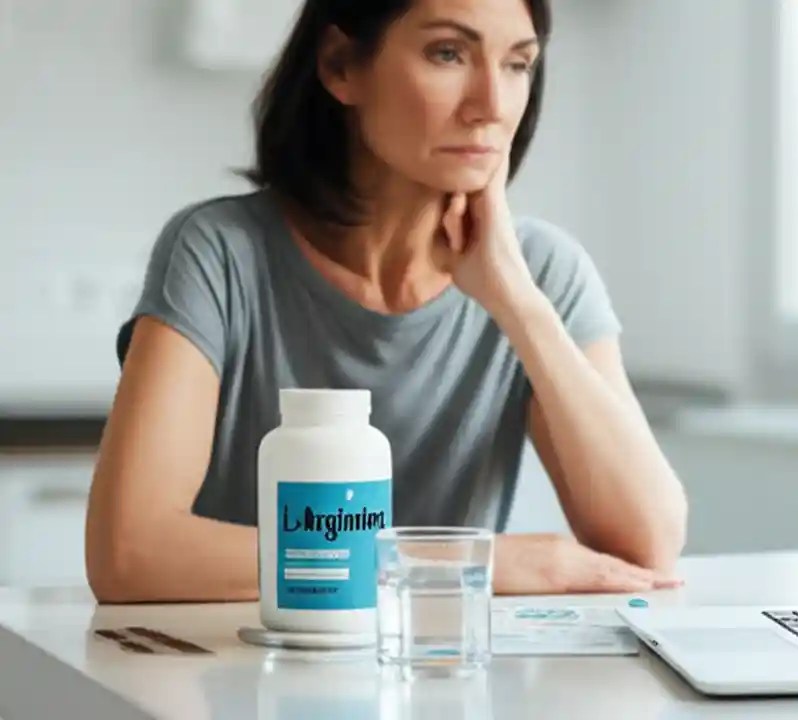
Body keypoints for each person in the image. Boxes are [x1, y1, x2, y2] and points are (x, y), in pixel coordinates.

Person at [85, 0, 688, 603]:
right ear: (341, 65)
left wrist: (519, 304)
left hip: (444, 675)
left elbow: (650, 546)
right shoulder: (219, 253)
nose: (492, 106)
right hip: (241, 666)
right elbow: (130, 554)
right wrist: (463, 562)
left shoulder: (544, 273)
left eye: (517, 64)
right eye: (448, 53)